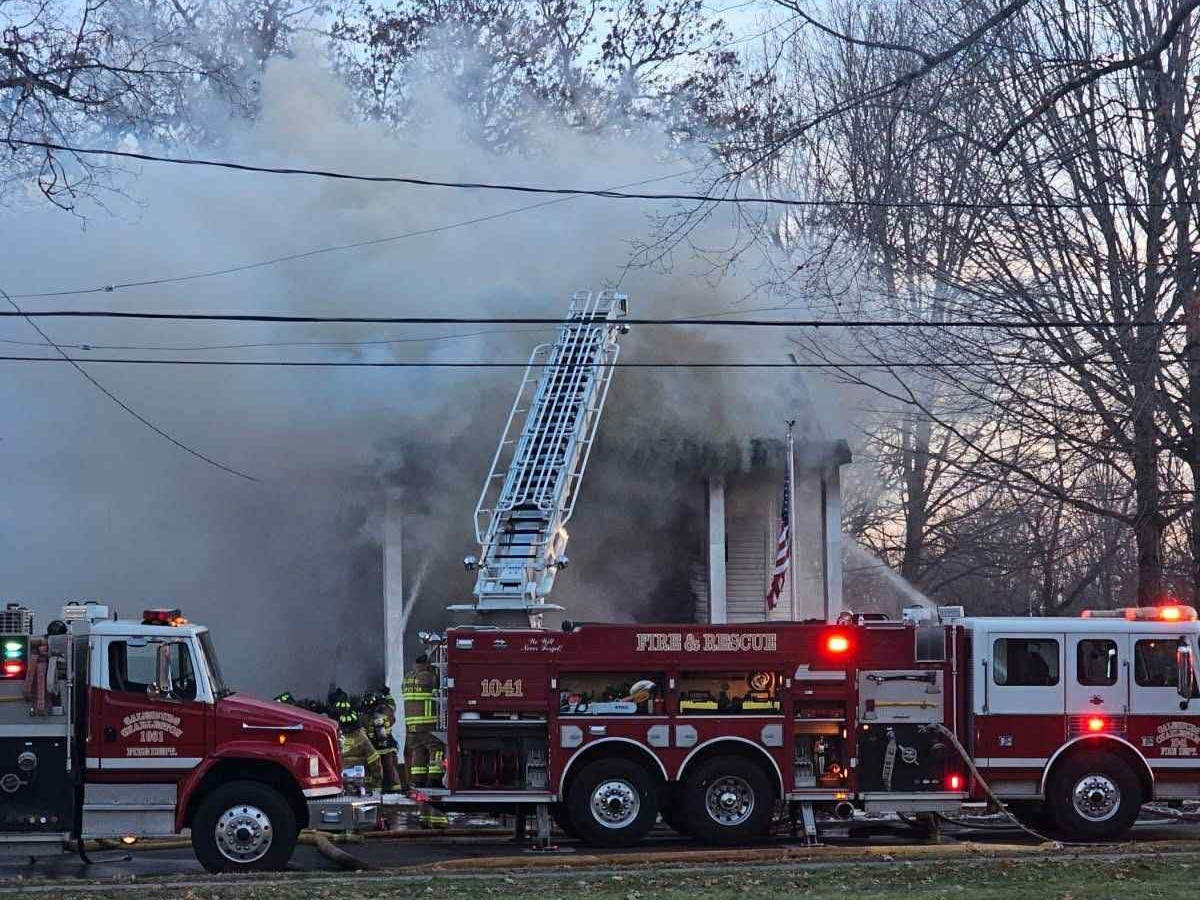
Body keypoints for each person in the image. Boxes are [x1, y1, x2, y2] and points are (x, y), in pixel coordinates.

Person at [402, 657, 448, 828]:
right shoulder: (429, 676)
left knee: (418, 752)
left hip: (411, 725)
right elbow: (442, 692)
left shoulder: (408, 677)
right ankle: (435, 778)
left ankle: (418, 778)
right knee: (437, 749)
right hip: (429, 723)